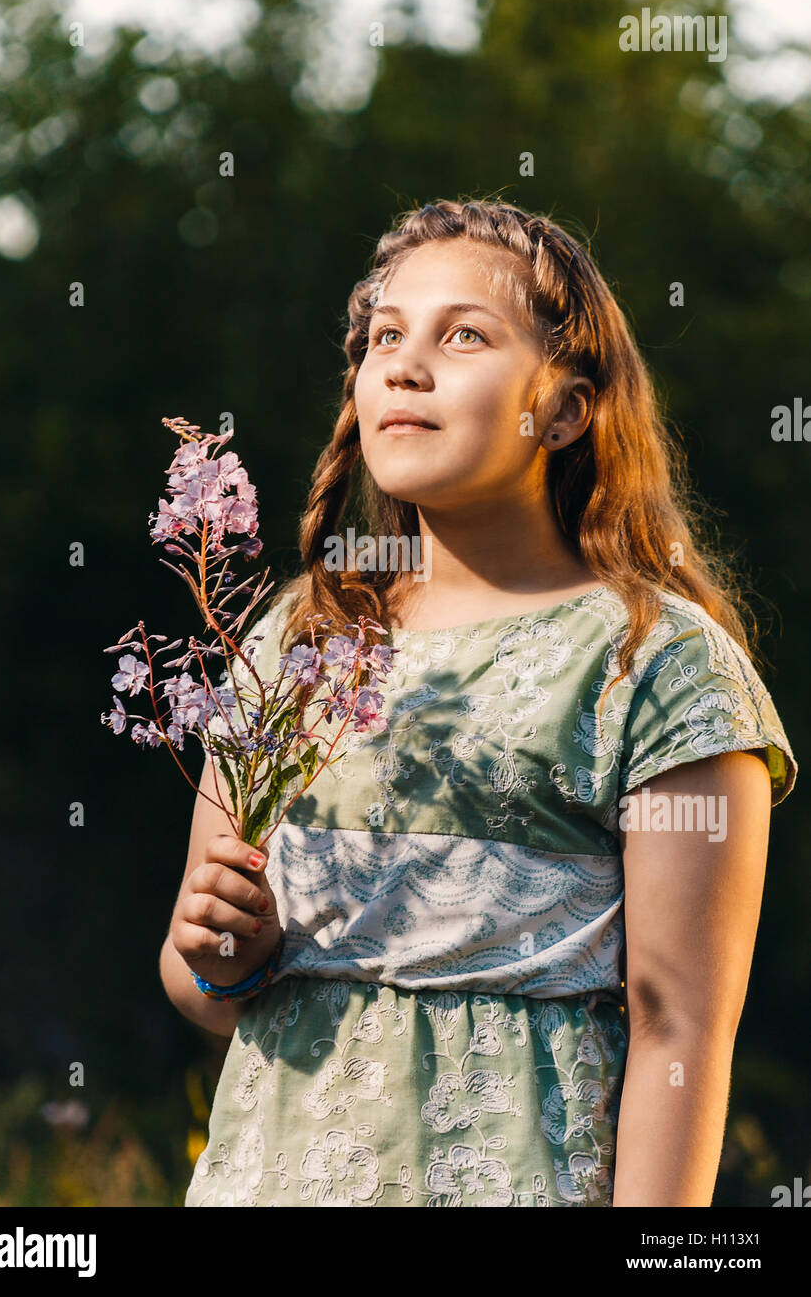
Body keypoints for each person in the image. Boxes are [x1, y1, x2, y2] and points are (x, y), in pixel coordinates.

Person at [160, 198, 798, 1207]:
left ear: (566, 407)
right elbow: (203, 988)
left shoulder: (658, 663)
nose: (405, 365)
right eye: (383, 338)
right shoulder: (301, 638)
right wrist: (217, 952)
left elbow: (679, 1029)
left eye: (463, 335)